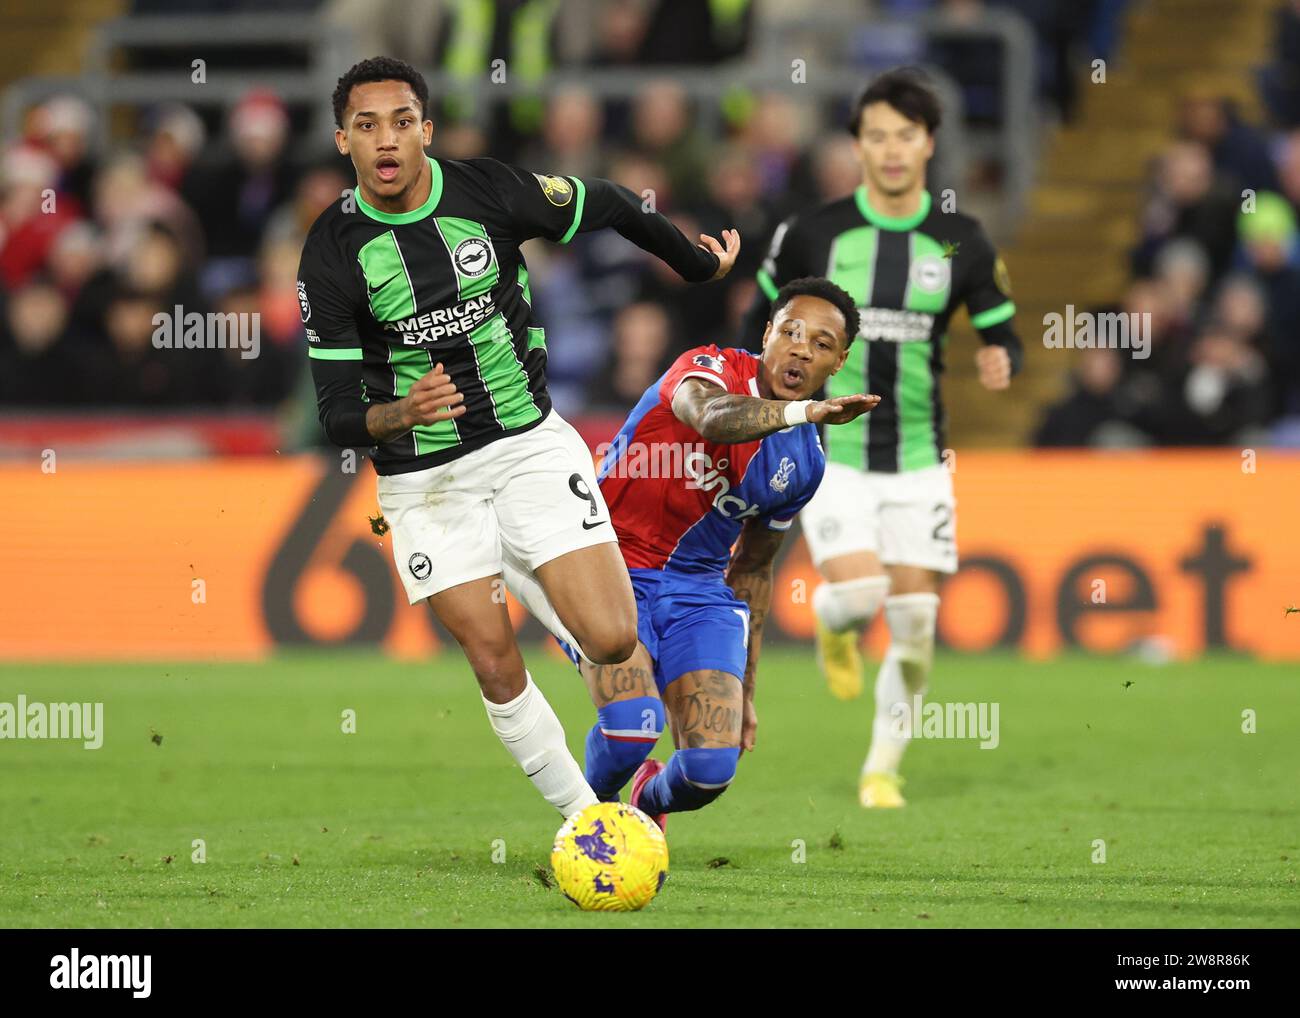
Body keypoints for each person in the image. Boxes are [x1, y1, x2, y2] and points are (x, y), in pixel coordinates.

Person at [299, 56, 739, 817]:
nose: (386, 139)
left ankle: (545, 586)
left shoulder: (487, 191)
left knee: (610, 638)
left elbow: (605, 202)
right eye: (366, 126)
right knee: (492, 656)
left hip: (526, 442)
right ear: (344, 141)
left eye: (402, 121)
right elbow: (333, 412)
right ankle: (586, 824)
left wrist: (693, 264)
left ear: (426, 130)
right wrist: (400, 414)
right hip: (424, 477)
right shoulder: (332, 251)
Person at [739, 68, 1022, 808]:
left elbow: (1001, 326)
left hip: (923, 458)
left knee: (920, 622)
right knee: (861, 594)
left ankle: (881, 770)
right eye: (876, 136)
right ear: (857, 144)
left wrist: (1002, 355)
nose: (891, 150)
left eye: (906, 136)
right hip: (837, 452)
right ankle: (837, 629)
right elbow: (758, 329)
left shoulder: (960, 239)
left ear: (928, 143)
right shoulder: (815, 232)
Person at [509, 277, 875, 829]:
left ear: (839, 362)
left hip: (697, 588)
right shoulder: (707, 366)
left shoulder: (805, 463)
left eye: (821, 344)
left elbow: (753, 566)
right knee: (634, 728)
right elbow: (710, 418)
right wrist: (806, 413)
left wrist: (746, 691)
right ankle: (591, 820)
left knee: (708, 771)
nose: (802, 347)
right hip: (602, 561)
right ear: (768, 332)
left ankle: (646, 804)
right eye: (791, 331)